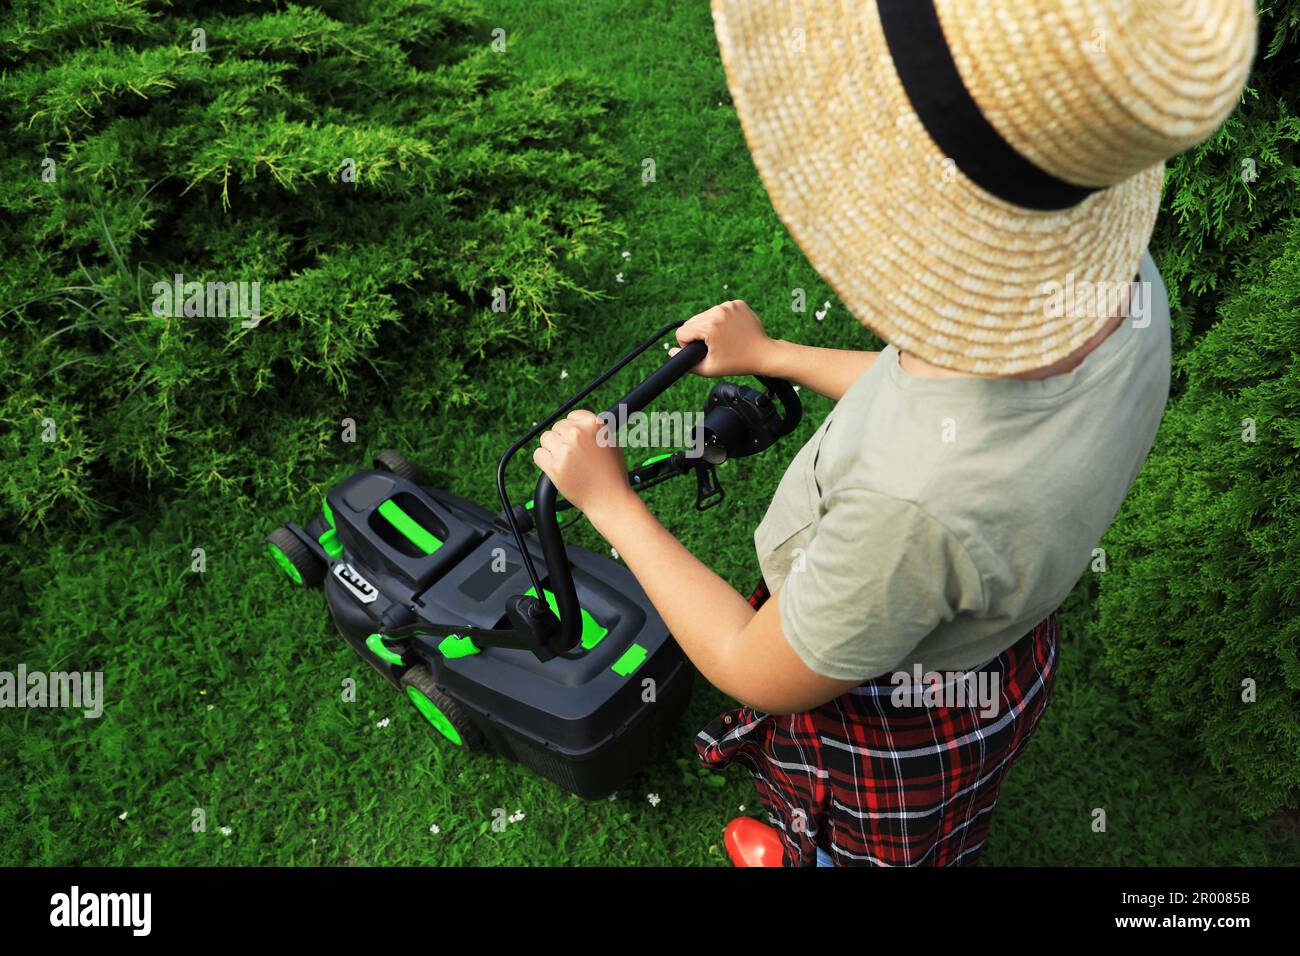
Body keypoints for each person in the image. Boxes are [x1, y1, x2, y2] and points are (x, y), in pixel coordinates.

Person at [532, 0, 1257, 866]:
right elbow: (927, 400)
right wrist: (775, 354)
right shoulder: (1126, 289)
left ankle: (810, 851)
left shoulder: (908, 511)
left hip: (883, 700)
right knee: (947, 816)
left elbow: (753, 665)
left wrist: (611, 504)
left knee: (863, 837)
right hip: (994, 649)